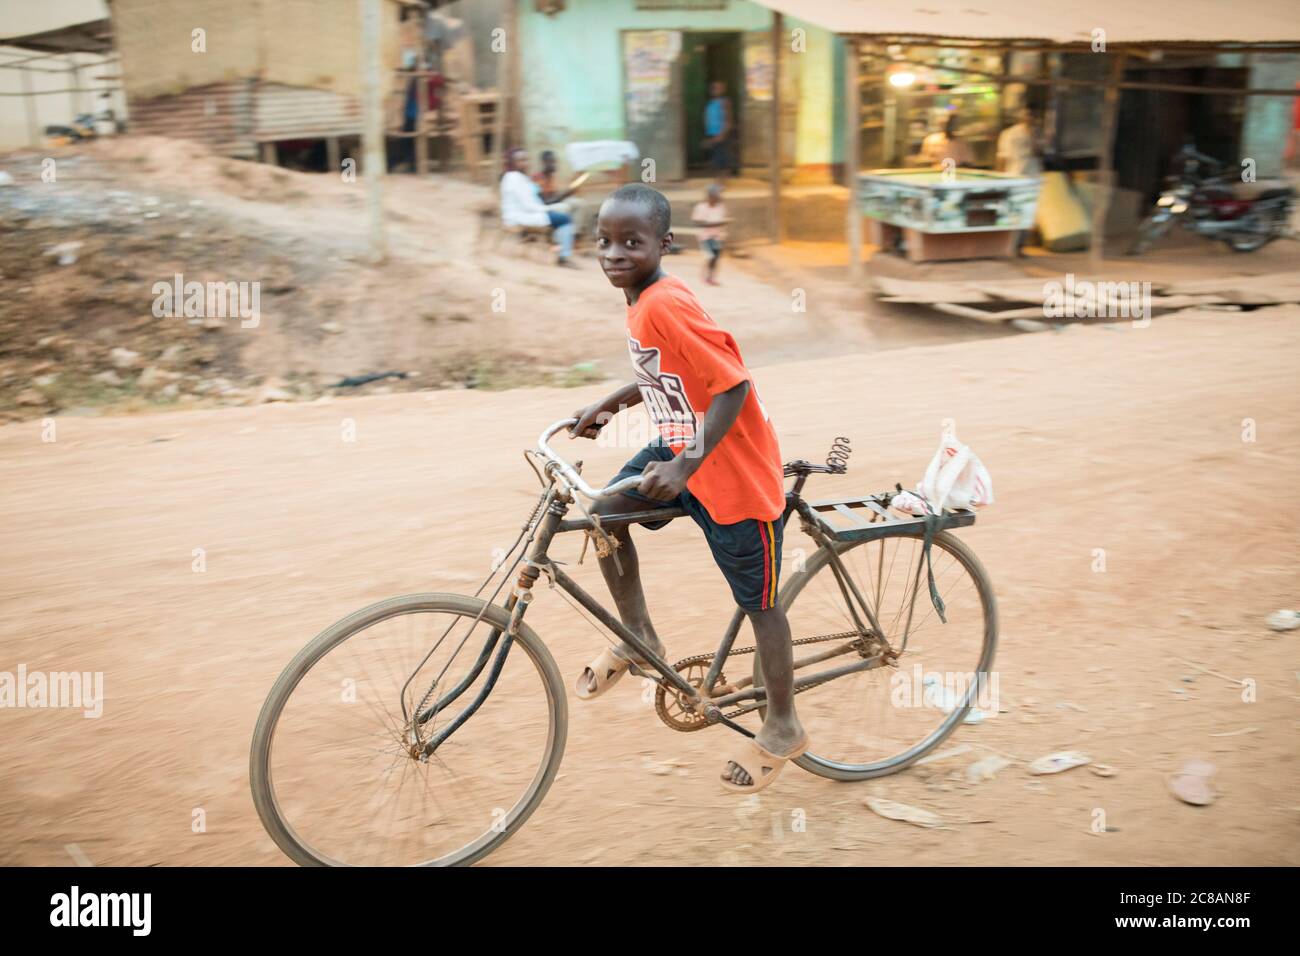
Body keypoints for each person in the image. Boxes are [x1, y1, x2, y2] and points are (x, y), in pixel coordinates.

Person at [567, 183, 808, 793]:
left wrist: (684, 467)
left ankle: (783, 725)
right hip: (685, 453)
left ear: (664, 244)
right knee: (604, 516)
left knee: (762, 606)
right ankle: (639, 635)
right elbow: (666, 373)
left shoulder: (664, 302)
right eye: (604, 242)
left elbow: (733, 387)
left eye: (631, 242)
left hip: (732, 474)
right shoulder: (642, 299)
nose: (614, 253)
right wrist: (612, 402)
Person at [500, 148, 577, 268]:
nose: (525, 163)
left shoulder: (519, 177)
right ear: (512, 162)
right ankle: (563, 257)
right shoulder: (513, 178)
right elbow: (529, 206)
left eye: (526, 160)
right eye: (521, 160)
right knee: (564, 219)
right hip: (521, 216)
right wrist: (551, 207)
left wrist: (550, 207)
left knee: (560, 215)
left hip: (527, 213)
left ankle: (559, 249)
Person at [692, 183, 729, 286]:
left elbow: (723, 220)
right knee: (710, 256)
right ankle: (706, 275)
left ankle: (710, 276)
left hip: (718, 236)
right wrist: (715, 224)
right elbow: (698, 223)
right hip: (705, 236)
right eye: (717, 194)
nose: (719, 196)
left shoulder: (720, 207)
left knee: (716, 256)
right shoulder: (701, 207)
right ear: (711, 195)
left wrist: (722, 232)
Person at [703, 80, 737, 179]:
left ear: (723, 89)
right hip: (713, 133)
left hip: (722, 134)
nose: (715, 90)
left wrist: (722, 135)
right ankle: (721, 183)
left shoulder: (725, 102)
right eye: (713, 88)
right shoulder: (711, 103)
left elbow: (729, 121)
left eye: (718, 88)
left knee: (723, 161)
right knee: (717, 160)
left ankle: (723, 184)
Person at [996, 108, 1043, 177]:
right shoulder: (1009, 133)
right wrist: (999, 175)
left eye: (1033, 116)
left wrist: (1032, 136)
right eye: (1028, 115)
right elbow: (1003, 156)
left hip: (1033, 173)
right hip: (1015, 172)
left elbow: (1038, 152)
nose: (1030, 118)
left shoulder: (1038, 132)